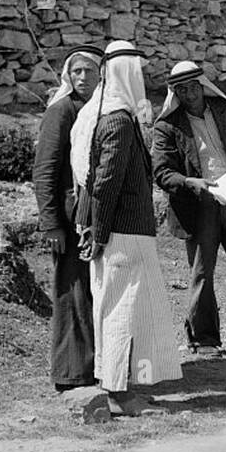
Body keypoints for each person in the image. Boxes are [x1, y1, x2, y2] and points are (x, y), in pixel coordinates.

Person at [71, 40, 183, 417]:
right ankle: (118, 394)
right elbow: (104, 185)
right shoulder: (117, 121)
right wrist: (99, 234)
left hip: (126, 233)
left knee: (131, 312)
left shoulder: (115, 115)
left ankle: (125, 387)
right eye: (139, 72)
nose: (145, 79)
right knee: (121, 312)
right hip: (122, 234)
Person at [151, 61, 226, 358]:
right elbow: (162, 172)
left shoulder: (224, 110)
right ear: (175, 92)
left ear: (202, 86)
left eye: (193, 87)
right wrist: (191, 182)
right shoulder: (167, 126)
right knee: (202, 271)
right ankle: (203, 340)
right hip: (199, 204)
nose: (189, 94)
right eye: (182, 90)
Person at [34, 44, 103, 391]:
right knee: (71, 293)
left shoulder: (102, 109)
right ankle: (70, 373)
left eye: (89, 71)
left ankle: (96, 366)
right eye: (76, 71)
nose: (82, 77)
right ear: (67, 76)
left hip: (99, 218)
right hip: (70, 219)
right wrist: (51, 224)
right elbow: (44, 171)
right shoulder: (61, 111)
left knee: (94, 293)